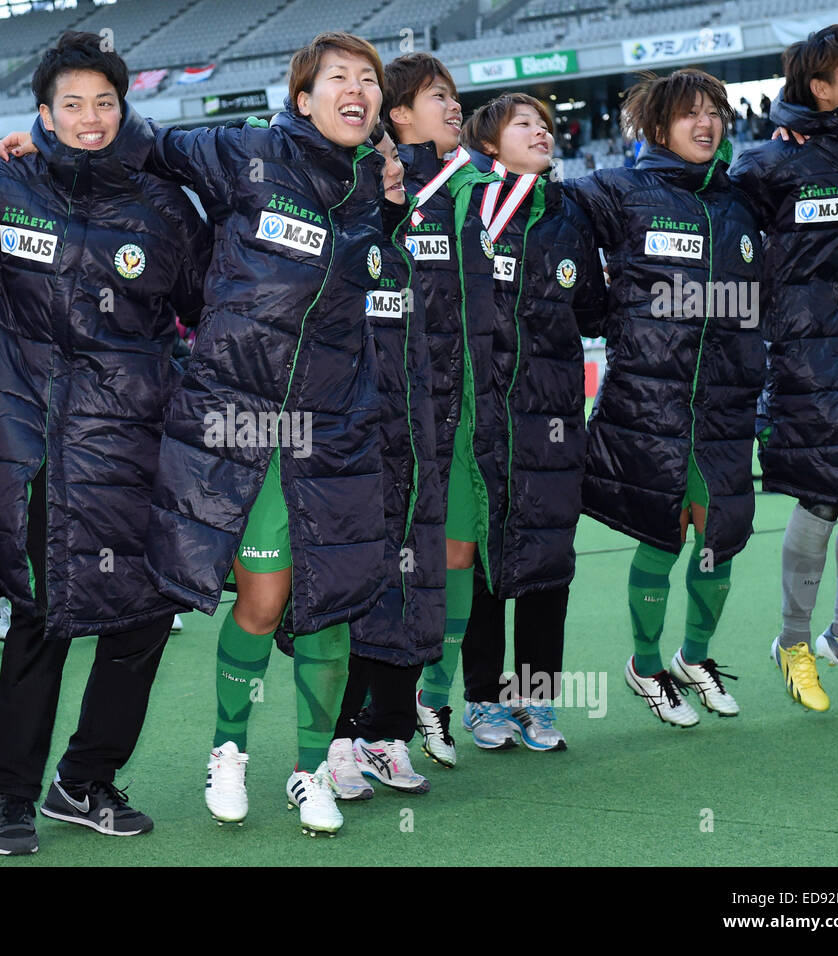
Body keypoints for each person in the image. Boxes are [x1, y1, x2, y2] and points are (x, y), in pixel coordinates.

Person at [139, 32, 391, 836]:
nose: (358, 90)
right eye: (339, 79)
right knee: (264, 600)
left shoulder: (379, 188)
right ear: (303, 98)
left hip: (336, 432)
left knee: (334, 606)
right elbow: (144, 144)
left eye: (369, 80)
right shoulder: (248, 153)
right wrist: (25, 149)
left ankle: (312, 766)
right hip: (246, 426)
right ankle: (229, 749)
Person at [0, 31, 209, 851]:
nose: (91, 117)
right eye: (71, 103)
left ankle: (86, 781)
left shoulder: (162, 205)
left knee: (144, 617)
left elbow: (214, 303)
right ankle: (12, 794)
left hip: (136, 443)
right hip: (32, 441)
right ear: (41, 112)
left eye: (105, 101)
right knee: (42, 616)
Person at [568, 69, 765, 726]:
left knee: (721, 538)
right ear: (658, 126)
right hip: (652, 406)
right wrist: (602, 311)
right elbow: (550, 228)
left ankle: (696, 656)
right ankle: (645, 665)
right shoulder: (619, 191)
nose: (706, 124)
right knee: (662, 536)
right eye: (690, 114)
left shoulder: (739, 201)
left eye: (714, 112)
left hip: (727, 406)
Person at [733, 24, 838, 708]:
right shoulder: (770, 165)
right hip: (811, 360)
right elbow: (724, 240)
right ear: (820, 88)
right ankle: (793, 640)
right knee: (823, 491)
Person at [447, 94, 604, 752]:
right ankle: (483, 700)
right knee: (482, 564)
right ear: (489, 143)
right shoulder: (463, 204)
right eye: (523, 124)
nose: (541, 131)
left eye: (545, 124)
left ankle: (539, 703)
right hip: (479, 418)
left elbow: (592, 308)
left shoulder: (570, 213)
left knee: (547, 564)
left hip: (553, 422)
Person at [316, 124, 444, 800]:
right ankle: (338, 742)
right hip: (349, 454)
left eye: (394, 153)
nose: (391, 165)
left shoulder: (411, 243)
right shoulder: (334, 240)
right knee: (351, 600)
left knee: (410, 593)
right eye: (377, 156)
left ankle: (390, 735)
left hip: (415, 449)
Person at [377, 52, 466, 769]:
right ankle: (354, 735)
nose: (455, 104)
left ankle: (410, 716)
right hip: (376, 414)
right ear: (399, 110)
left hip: (450, 414)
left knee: (436, 569)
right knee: (378, 576)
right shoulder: (373, 179)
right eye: (439, 95)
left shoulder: (470, 190)